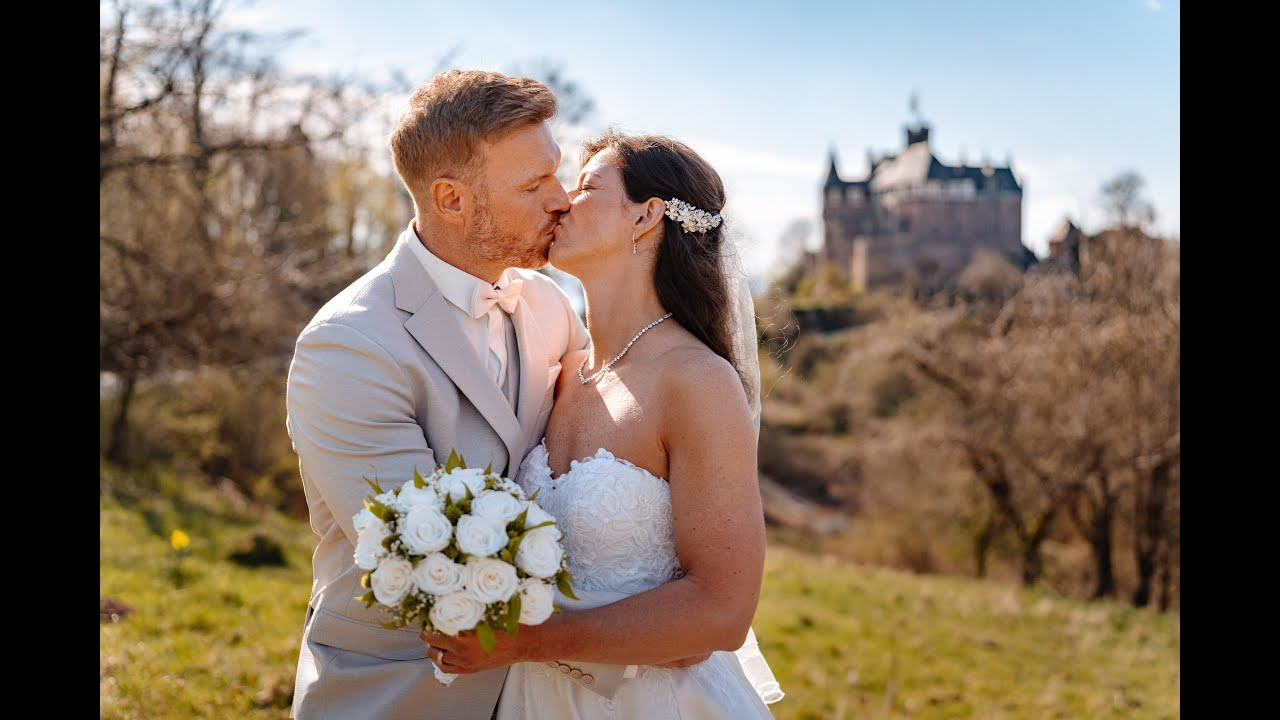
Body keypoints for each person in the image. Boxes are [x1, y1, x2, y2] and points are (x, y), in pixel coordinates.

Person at [422, 129, 784, 718]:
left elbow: (723, 609)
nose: (562, 199)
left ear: (645, 217)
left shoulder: (696, 382)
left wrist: (532, 641)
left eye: (587, 186)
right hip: (533, 700)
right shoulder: (558, 370)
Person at [284, 69, 591, 720]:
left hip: (549, 699)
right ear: (451, 199)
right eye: (535, 185)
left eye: (557, 174)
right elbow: (435, 565)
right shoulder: (348, 347)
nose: (564, 199)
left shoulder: (549, 303)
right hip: (400, 696)